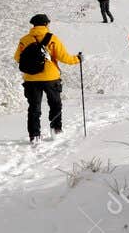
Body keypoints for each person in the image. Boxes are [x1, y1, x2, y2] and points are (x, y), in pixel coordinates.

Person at [14, 13, 83, 143]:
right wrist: (77, 59)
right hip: (51, 78)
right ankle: (56, 129)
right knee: (55, 104)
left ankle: (35, 136)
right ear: (46, 24)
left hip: (31, 79)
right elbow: (64, 57)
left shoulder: (24, 40)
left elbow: (17, 58)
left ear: (33, 25)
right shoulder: (52, 39)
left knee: (34, 108)